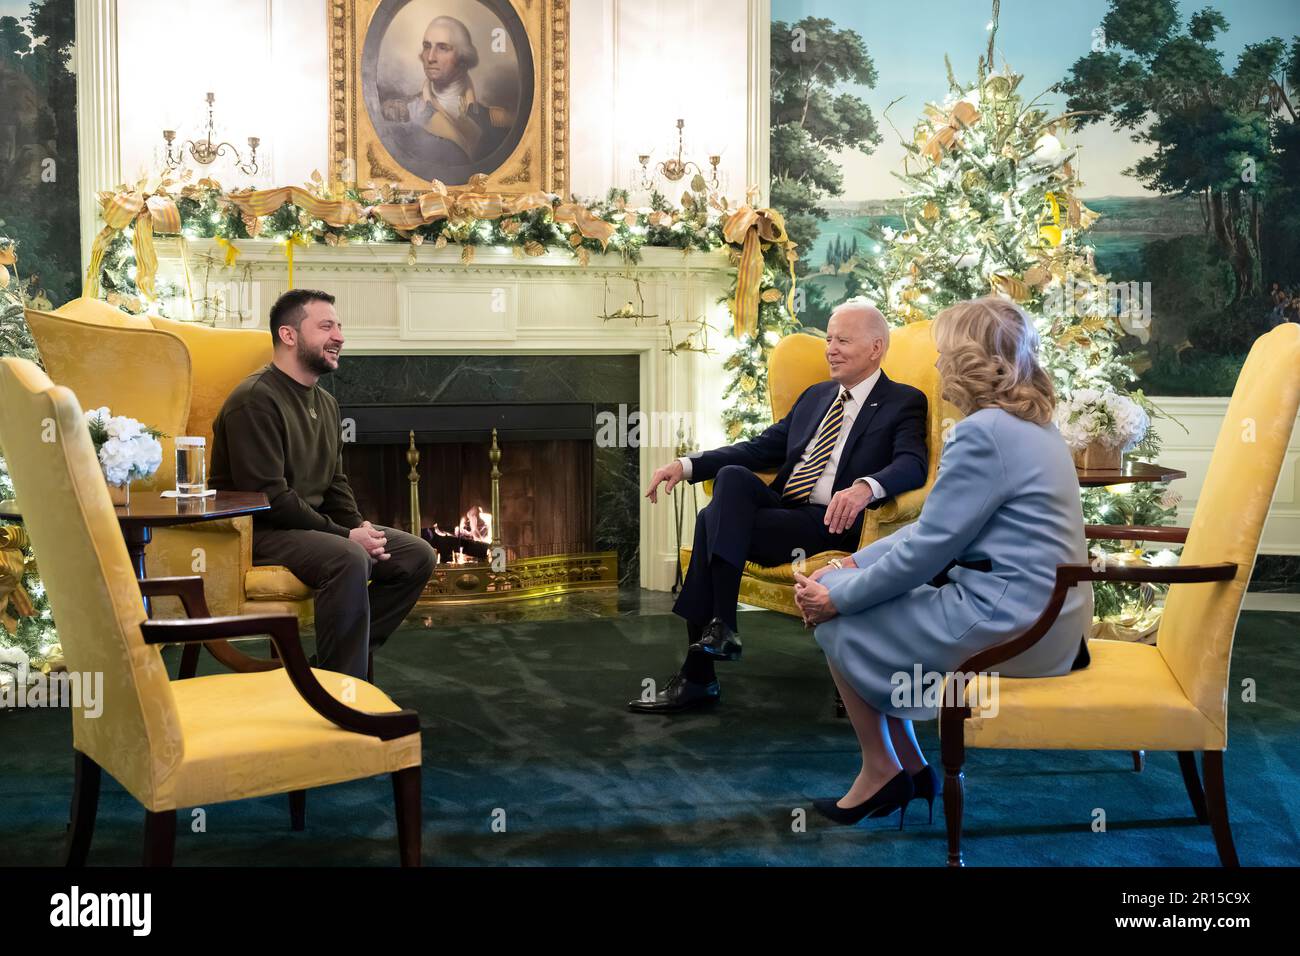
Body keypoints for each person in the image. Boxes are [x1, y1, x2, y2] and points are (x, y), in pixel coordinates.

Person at [794, 295, 1093, 827]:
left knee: (836, 626)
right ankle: (906, 767)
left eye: (943, 353)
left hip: (1015, 621)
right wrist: (853, 565)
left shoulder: (983, 434)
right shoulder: (1033, 425)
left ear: (968, 362)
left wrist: (836, 596)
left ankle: (883, 769)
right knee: (845, 598)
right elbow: (935, 530)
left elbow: (928, 550)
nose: (936, 365)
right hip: (1050, 615)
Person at [633, 298, 929, 713]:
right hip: (784, 509)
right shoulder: (816, 396)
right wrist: (686, 466)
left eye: (843, 340)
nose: (830, 349)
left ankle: (700, 672)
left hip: (829, 522)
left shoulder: (902, 400)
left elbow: (912, 464)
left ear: (876, 348)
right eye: (828, 339)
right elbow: (759, 450)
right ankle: (722, 629)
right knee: (734, 477)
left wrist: (866, 487)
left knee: (708, 521)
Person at [210, 289, 436, 679]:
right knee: (348, 557)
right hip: (256, 530)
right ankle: (341, 690)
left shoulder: (326, 403)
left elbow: (335, 483)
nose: (340, 337)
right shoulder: (254, 400)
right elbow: (271, 498)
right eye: (326, 326)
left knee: (415, 555)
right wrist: (346, 537)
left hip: (308, 527)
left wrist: (359, 526)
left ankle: (324, 672)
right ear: (289, 335)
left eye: (340, 326)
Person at [380, 16, 513, 174]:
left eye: (443, 48)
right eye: (427, 46)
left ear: (463, 57)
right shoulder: (405, 113)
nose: (430, 57)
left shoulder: (497, 119)